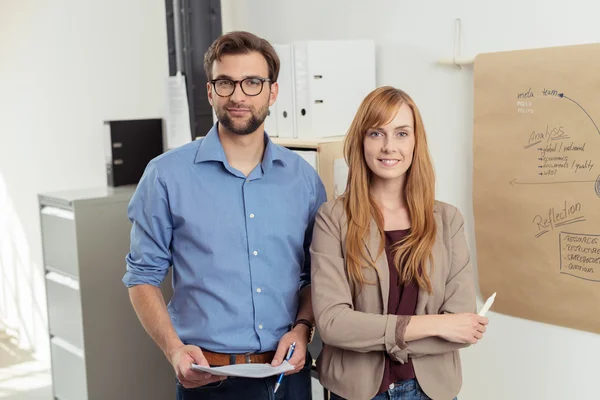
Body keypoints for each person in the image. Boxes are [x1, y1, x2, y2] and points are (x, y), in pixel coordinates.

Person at [122, 31, 326, 400]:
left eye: (252, 82)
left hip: (288, 377)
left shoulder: (304, 179)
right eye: (225, 82)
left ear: (272, 92)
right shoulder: (166, 175)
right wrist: (173, 349)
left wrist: (303, 328)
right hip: (208, 380)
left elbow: (316, 274)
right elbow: (141, 277)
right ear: (210, 91)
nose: (238, 95)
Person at [310, 87, 488, 400]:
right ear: (361, 141)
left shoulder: (447, 220)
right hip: (357, 391)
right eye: (376, 133)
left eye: (402, 133)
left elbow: (461, 328)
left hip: (432, 390)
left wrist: (369, 333)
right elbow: (333, 324)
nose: (389, 146)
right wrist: (435, 325)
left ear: (416, 141)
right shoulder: (333, 218)